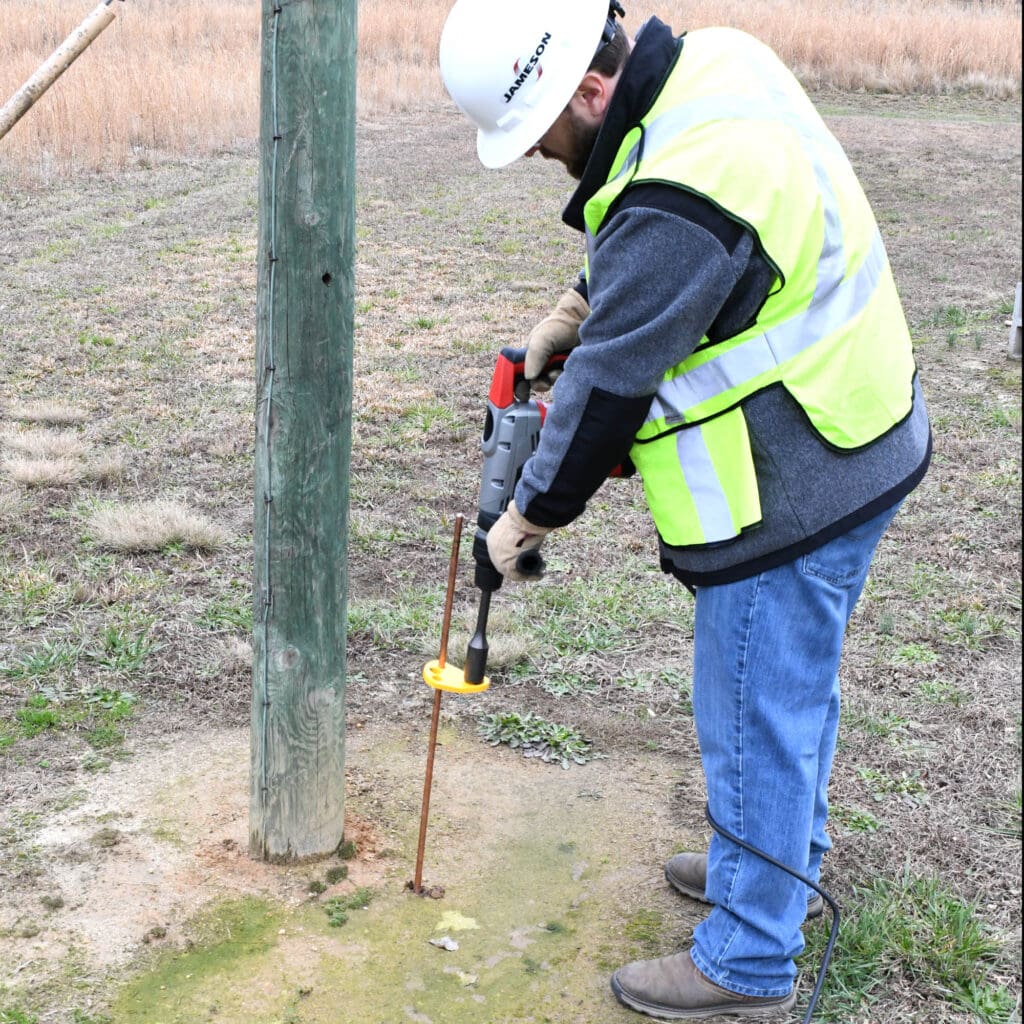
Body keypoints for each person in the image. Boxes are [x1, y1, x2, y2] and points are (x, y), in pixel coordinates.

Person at [439, 0, 932, 1019]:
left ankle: (747, 961)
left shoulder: (674, 195)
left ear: (586, 87)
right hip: (861, 422)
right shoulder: (712, 64)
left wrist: (521, 521)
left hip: (795, 480)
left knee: (753, 705)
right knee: (787, 694)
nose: (538, 155)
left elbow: (609, 388)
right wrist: (578, 304)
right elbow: (667, 231)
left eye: (539, 134)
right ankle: (774, 870)